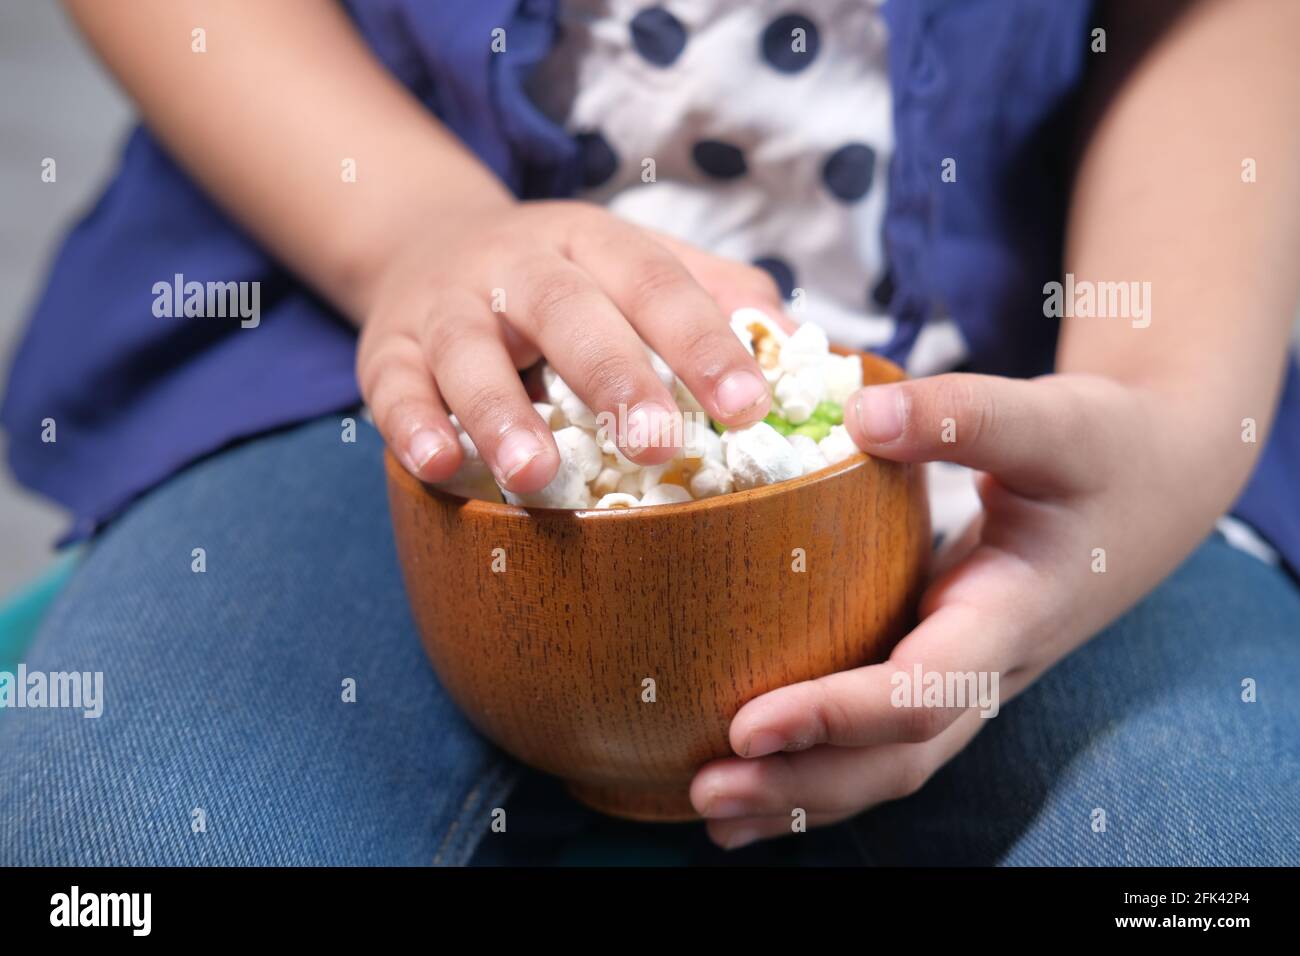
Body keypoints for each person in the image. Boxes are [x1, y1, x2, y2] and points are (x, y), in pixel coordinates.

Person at [2, 0, 1297, 865]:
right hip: (357, 344)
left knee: (1229, 839)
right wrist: (411, 233)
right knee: (120, 839)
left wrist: (1168, 401)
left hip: (1049, 392)